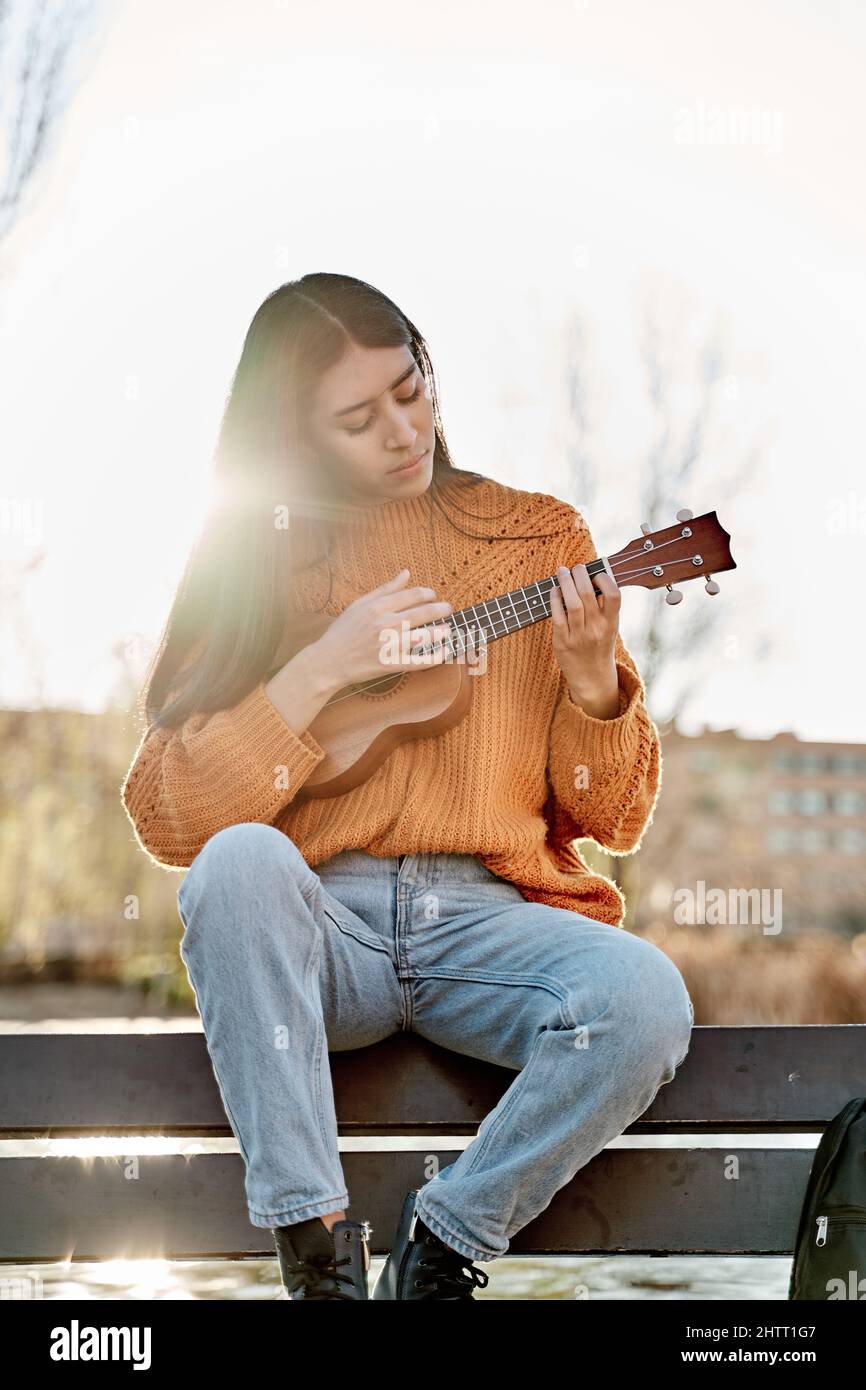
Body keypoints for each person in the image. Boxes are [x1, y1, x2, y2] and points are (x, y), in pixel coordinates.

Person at [120, 271, 694, 1301]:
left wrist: (590, 684)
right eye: (356, 417)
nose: (403, 429)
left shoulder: (533, 536)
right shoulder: (247, 557)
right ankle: (320, 1253)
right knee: (239, 862)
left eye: (411, 386)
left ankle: (441, 1249)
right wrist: (321, 668)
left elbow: (613, 814)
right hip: (317, 930)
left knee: (642, 997)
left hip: (490, 930)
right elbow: (172, 816)